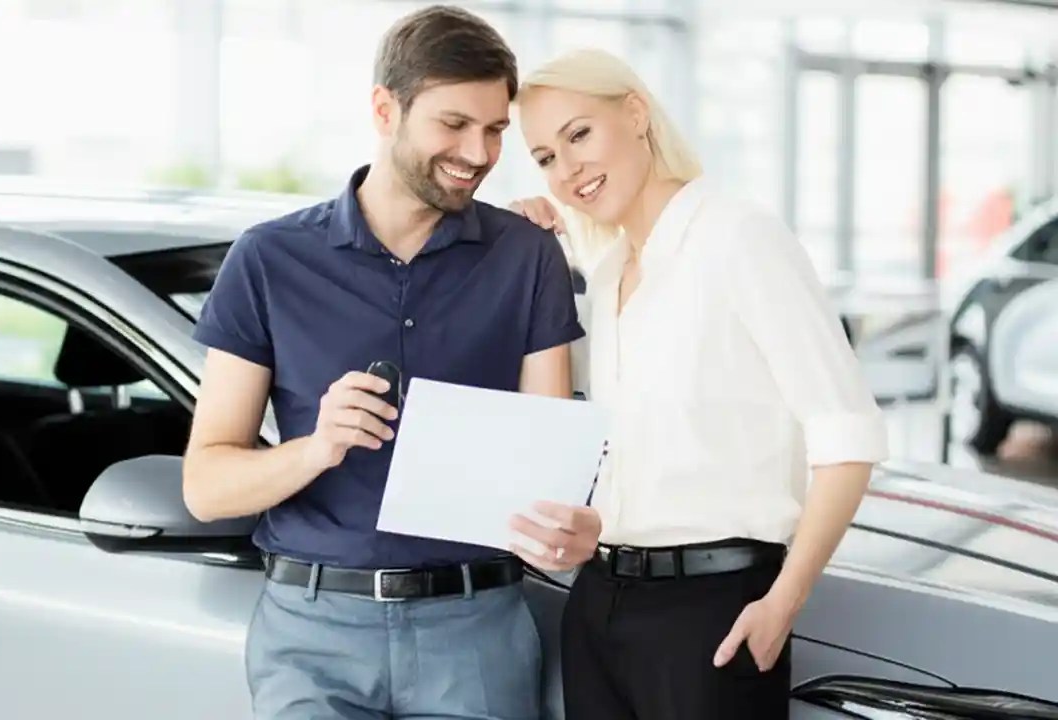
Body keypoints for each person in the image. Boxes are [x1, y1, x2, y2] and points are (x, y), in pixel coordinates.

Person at [181, 6, 601, 719]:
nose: (479, 152)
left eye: (496, 128)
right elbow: (206, 485)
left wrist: (567, 529)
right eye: (453, 123)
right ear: (385, 108)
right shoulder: (269, 259)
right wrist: (317, 447)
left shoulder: (525, 257)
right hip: (312, 633)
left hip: (476, 634)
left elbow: (549, 475)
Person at [508, 48, 890, 719]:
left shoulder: (739, 236)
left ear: (635, 112)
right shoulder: (604, 274)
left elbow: (847, 437)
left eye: (579, 135)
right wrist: (530, 250)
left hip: (711, 614)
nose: (567, 170)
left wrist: (783, 602)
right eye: (544, 157)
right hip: (597, 604)